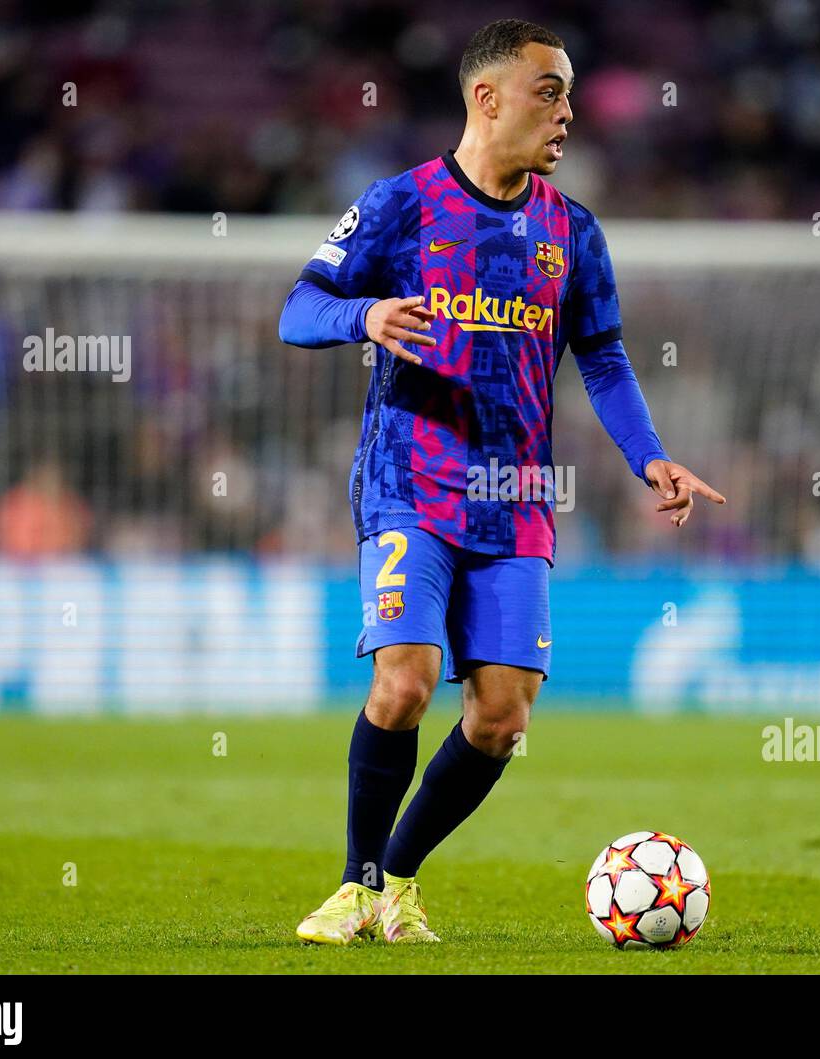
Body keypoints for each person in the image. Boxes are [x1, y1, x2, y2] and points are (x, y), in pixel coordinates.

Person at [278, 18, 723, 943]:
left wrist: (652, 458)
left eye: (567, 94)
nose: (566, 114)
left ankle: (397, 881)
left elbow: (602, 358)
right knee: (404, 682)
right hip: (410, 479)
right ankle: (355, 886)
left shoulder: (573, 233)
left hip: (515, 499)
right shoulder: (401, 204)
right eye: (548, 91)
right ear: (487, 97)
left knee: (503, 714)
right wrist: (364, 315)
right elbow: (298, 306)